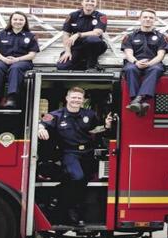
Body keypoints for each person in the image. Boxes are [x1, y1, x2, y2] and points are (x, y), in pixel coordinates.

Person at [37, 87, 115, 226]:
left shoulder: (89, 114)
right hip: (69, 153)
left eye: (79, 98)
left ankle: (59, 198)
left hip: (88, 153)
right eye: (73, 97)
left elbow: (94, 129)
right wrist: (41, 129)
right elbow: (41, 123)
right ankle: (69, 209)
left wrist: (106, 125)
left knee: (83, 181)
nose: (76, 100)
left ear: (83, 100)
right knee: (77, 177)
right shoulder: (55, 115)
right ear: (67, 98)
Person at [120, 10, 168, 116]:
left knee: (156, 69)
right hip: (134, 62)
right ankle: (141, 101)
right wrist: (136, 62)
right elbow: (128, 53)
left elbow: (161, 55)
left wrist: (150, 63)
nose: (148, 19)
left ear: (155, 20)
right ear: (140, 19)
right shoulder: (130, 36)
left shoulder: (161, 37)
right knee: (129, 69)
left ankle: (137, 101)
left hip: (154, 63)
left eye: (151, 18)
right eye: (145, 17)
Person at [0, 12, 39, 108]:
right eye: (15, 19)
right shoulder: (1, 34)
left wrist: (17, 59)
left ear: (25, 22)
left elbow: (32, 55)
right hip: (3, 60)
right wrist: (3, 59)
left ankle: (12, 98)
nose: (18, 22)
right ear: (11, 21)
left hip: (23, 61)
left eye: (21, 20)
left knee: (15, 68)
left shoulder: (30, 36)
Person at [58, 0, 109, 72]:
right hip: (78, 47)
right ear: (82, 3)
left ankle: (91, 66)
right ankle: (87, 64)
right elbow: (66, 34)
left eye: (92, 1)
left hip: (95, 46)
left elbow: (97, 33)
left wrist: (78, 34)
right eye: (87, 1)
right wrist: (67, 51)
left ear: (96, 4)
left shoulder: (101, 16)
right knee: (62, 67)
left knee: (92, 39)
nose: (90, 3)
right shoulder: (73, 16)